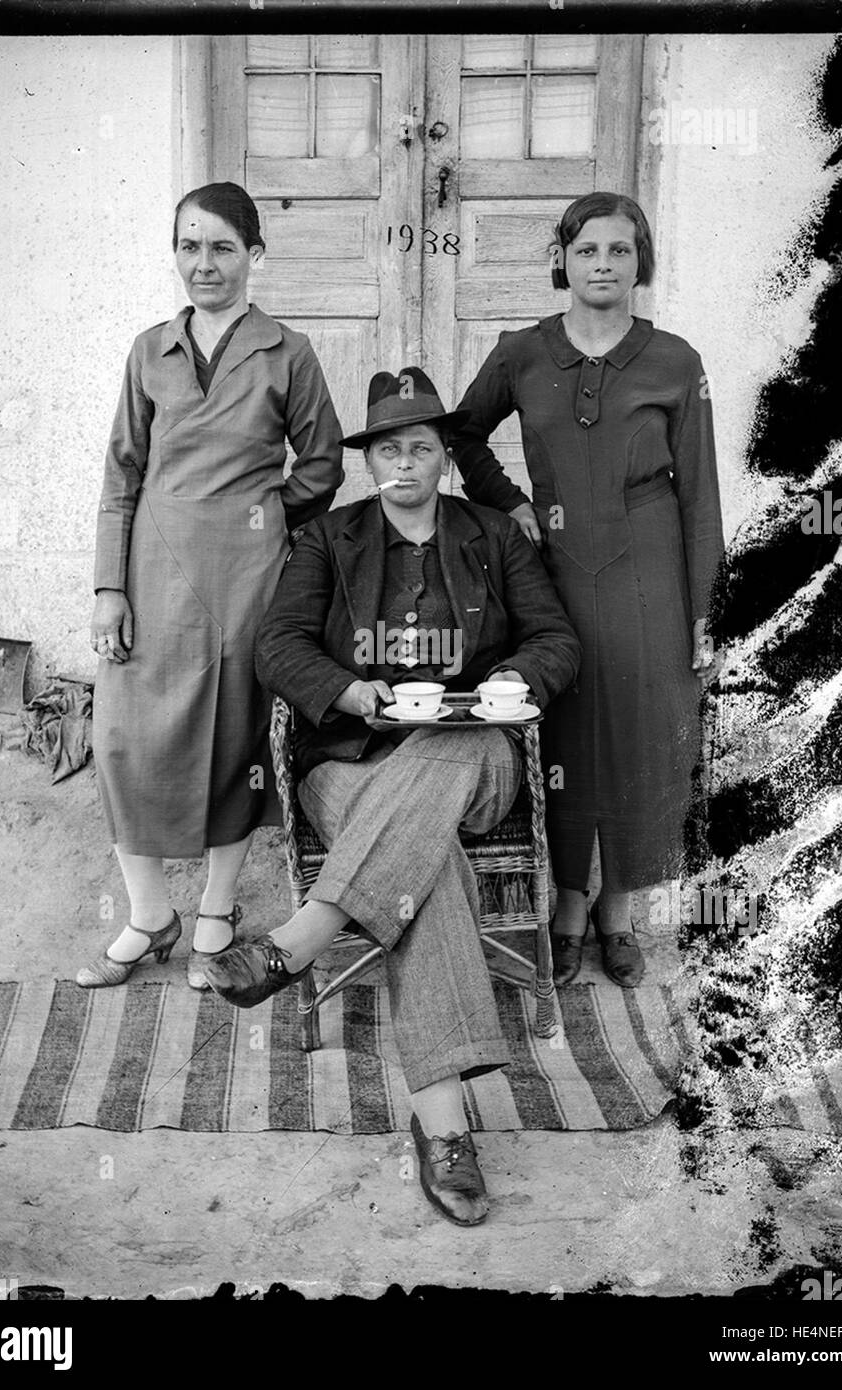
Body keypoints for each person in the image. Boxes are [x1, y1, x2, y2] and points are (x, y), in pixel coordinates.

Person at [202, 368, 580, 1225]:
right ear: (367, 463)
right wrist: (344, 691)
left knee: (443, 765)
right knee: (427, 861)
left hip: (474, 753)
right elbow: (278, 645)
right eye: (386, 450)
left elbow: (556, 637)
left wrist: (512, 681)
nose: (402, 462)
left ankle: (306, 934)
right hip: (351, 763)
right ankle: (445, 1130)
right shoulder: (328, 539)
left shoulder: (493, 535)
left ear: (444, 457)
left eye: (419, 447)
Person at [451, 192, 724, 989]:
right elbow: (461, 433)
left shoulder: (674, 360)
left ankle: (618, 915)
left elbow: (700, 495)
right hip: (557, 569)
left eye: (619, 250)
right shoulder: (520, 353)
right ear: (562, 260)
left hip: (649, 567)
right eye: (586, 250)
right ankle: (565, 910)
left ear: (641, 262)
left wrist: (706, 609)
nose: (602, 264)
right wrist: (508, 503)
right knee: (563, 733)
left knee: (641, 729)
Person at [78, 183, 344, 990]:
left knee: (235, 741)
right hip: (150, 574)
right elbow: (121, 474)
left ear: (253, 255)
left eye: (223, 247)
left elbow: (322, 463)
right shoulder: (148, 351)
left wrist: (263, 520)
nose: (205, 263)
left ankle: (215, 916)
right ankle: (148, 916)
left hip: (244, 582)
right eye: (190, 246)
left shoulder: (287, 352)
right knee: (123, 740)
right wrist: (108, 588)